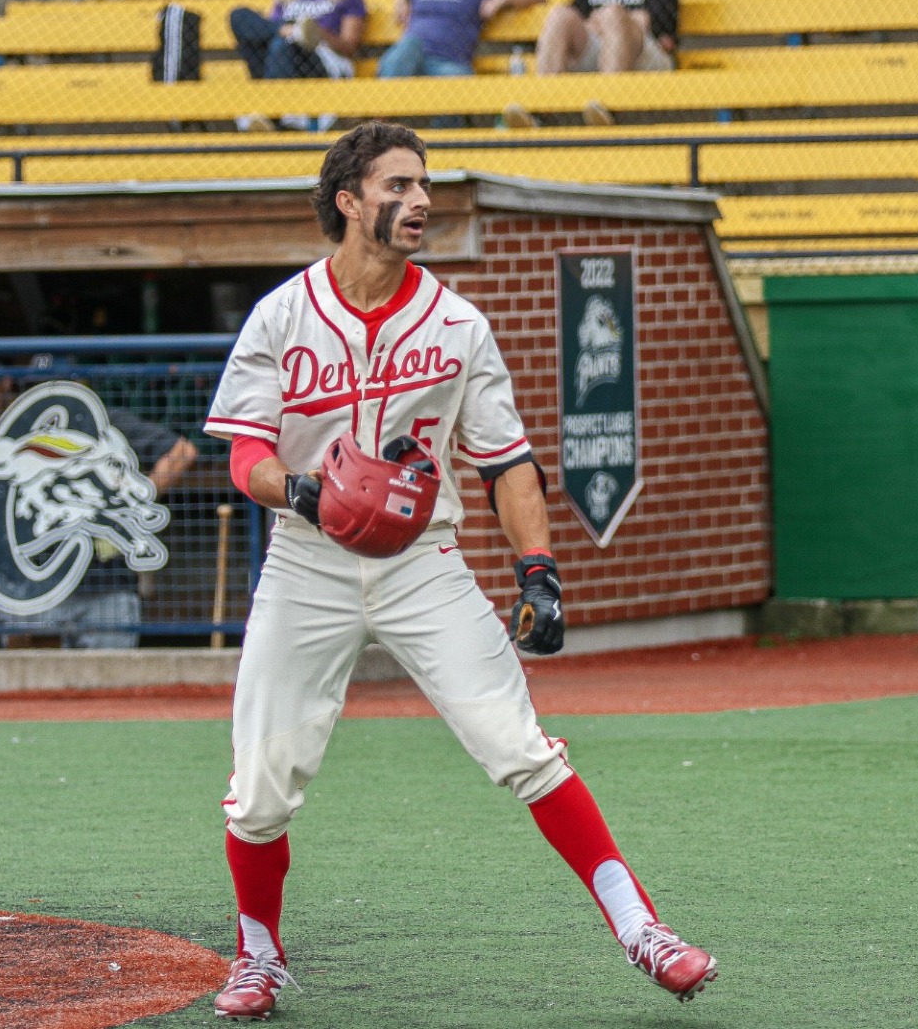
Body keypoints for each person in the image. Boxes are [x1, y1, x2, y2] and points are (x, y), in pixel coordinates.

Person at [199, 120, 717, 1020]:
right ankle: (258, 954)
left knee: (522, 749)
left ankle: (645, 929)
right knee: (263, 784)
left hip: (422, 564)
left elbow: (507, 462)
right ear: (348, 202)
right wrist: (310, 491)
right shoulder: (281, 316)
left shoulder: (457, 322)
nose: (420, 201)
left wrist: (540, 569)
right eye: (397, 186)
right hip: (306, 562)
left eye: (423, 185)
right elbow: (246, 460)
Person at [0, 375, 199, 648]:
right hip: (38, 586)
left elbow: (183, 452)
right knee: (31, 686)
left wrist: (136, 497)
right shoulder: (16, 431)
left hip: (105, 588)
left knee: (111, 686)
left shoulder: (107, 423)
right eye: (39, 387)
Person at [504, 0, 681, 128]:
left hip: (644, 51)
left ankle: (609, 104)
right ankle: (541, 108)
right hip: (599, 48)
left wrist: (612, 17)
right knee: (560, 15)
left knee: (613, 14)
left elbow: (649, 24)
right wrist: (607, 20)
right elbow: (578, 19)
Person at [377, 0, 543, 79]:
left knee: (459, 79)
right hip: (413, 52)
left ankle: (445, 124)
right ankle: (380, 119)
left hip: (450, 60)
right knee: (408, 47)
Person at [230, 0, 367, 85]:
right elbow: (269, 32)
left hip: (322, 61)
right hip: (279, 57)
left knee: (282, 45)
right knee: (239, 16)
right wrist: (291, 30)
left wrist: (317, 33)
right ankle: (293, 30)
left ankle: (296, 32)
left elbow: (349, 47)